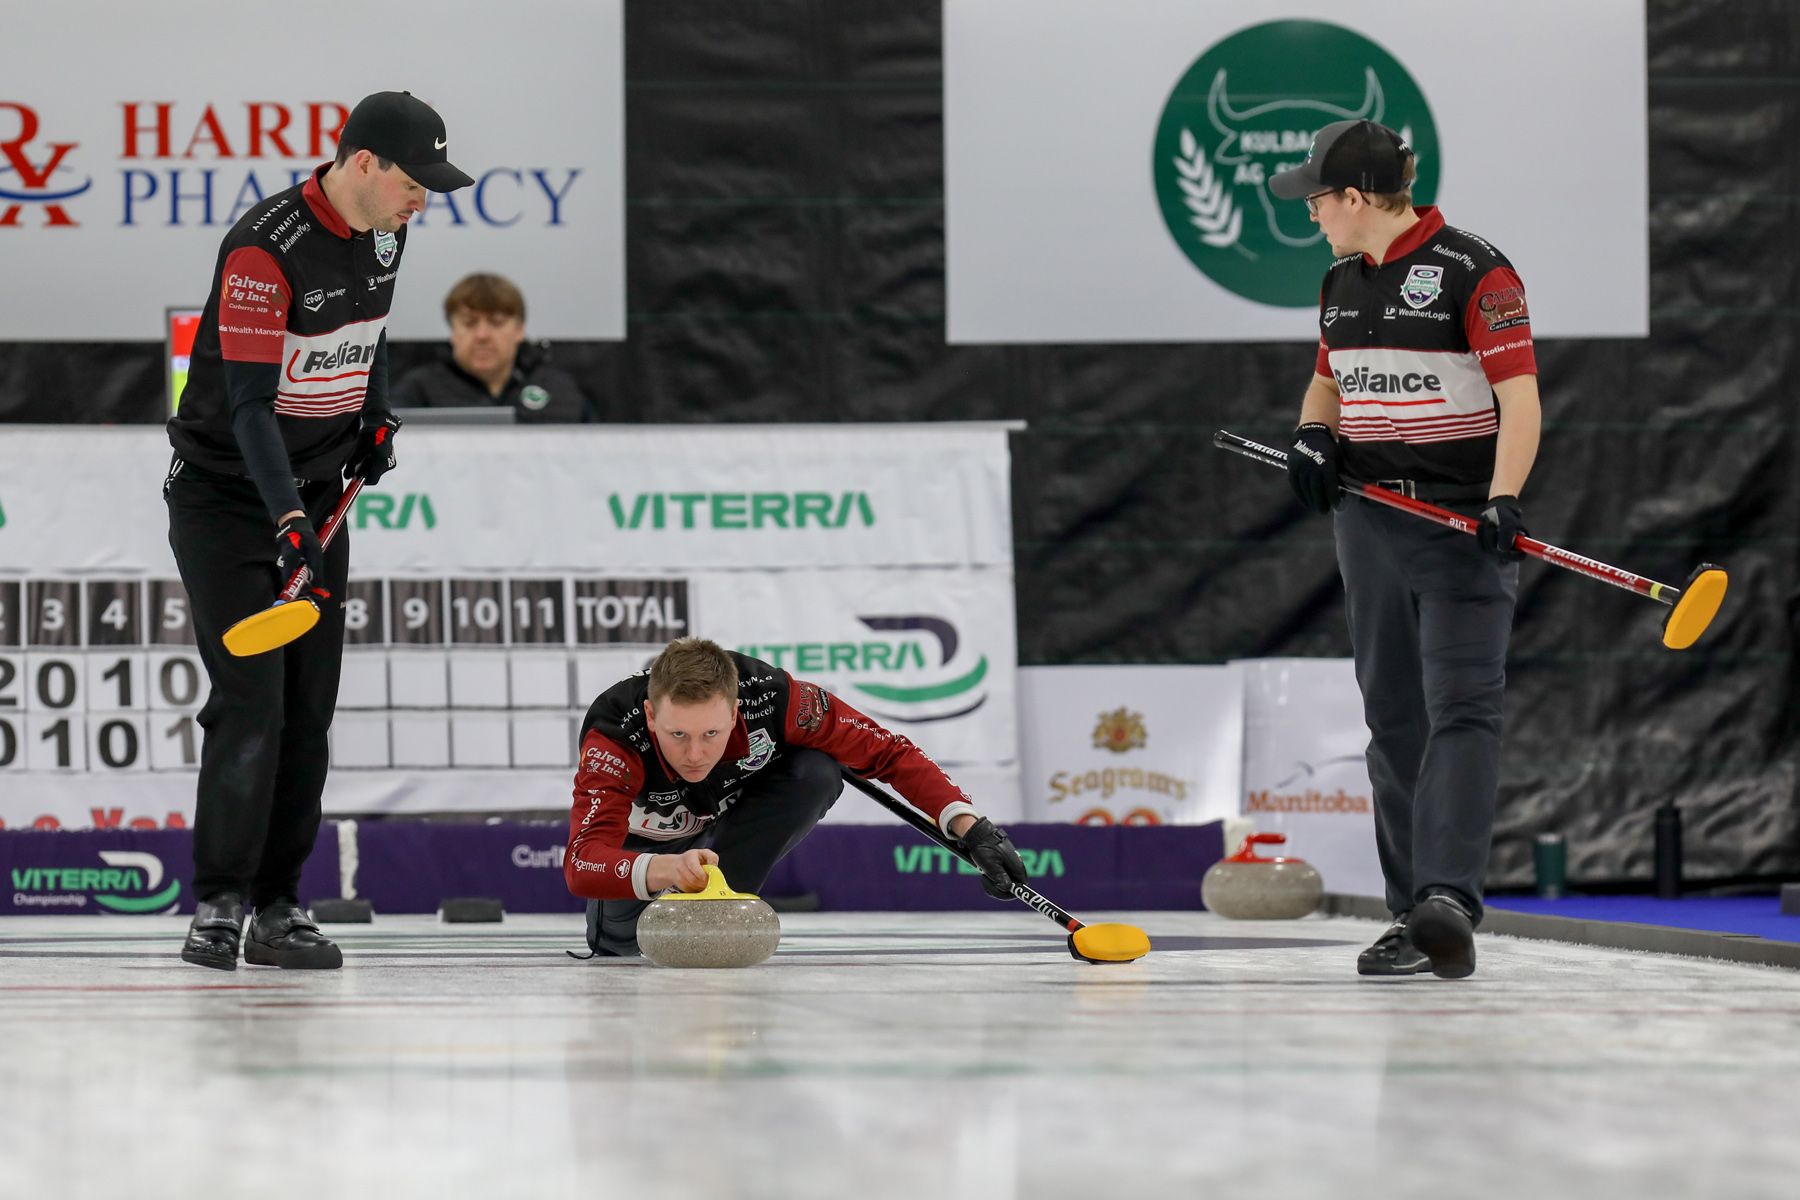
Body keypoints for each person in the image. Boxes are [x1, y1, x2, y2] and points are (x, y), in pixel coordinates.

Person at [164, 91, 473, 970]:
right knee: (251, 705)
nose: (425, 203)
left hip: (315, 496)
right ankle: (218, 904)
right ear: (364, 163)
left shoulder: (386, 230)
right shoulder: (266, 249)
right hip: (229, 502)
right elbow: (253, 407)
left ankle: (278, 906)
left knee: (309, 712)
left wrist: (371, 419)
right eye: (417, 183)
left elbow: (363, 340)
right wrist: (289, 519)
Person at [1268, 120, 1541, 980]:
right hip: (1371, 519)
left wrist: (1503, 496)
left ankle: (1447, 902)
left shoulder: (1475, 271)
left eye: (1315, 199)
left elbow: (1520, 400)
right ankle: (1408, 915)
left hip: (1461, 523)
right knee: (1393, 718)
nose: (1309, 214)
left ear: (1353, 197)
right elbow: (1328, 380)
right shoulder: (1339, 281)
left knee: (1464, 709)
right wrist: (1314, 435)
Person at [564, 637, 1028, 956]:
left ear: (734, 710)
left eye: (711, 733)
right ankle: (657, 912)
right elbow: (583, 863)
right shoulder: (613, 736)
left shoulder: (779, 699)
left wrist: (971, 827)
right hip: (647, 848)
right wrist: (667, 868)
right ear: (649, 714)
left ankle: (719, 908)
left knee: (818, 769)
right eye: (677, 734)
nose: (695, 753)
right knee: (619, 947)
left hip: (724, 832)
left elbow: (888, 753)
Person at [391, 272, 592, 422]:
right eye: (469, 323)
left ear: (519, 330)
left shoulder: (558, 389)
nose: (482, 335)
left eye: (496, 322)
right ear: (453, 331)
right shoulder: (419, 390)